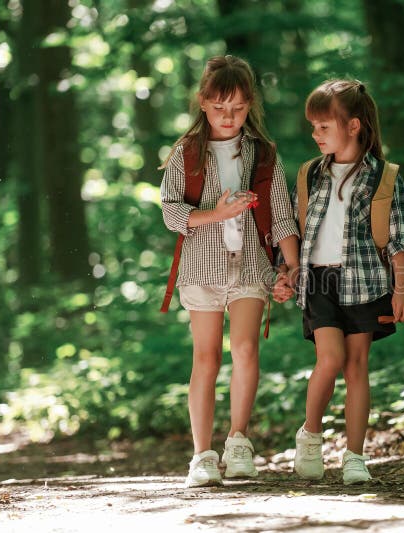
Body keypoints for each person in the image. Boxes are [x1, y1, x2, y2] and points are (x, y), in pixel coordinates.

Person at [160, 55, 299, 488]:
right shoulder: (186, 152)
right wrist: (215, 213)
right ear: (203, 103)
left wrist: (290, 268)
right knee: (205, 358)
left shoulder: (263, 154)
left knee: (244, 350)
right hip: (201, 269)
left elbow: (281, 218)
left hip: (251, 269)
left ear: (250, 104)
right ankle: (202, 454)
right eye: (219, 107)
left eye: (238, 108)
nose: (228, 116)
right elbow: (171, 212)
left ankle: (238, 443)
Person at [290, 79, 404, 485]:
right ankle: (310, 436)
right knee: (330, 359)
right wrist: (283, 273)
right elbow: (296, 228)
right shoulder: (311, 174)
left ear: (354, 126)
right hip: (319, 281)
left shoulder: (384, 177)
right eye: (313, 127)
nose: (315, 134)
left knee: (357, 365)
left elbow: (397, 238)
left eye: (323, 126)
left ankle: (355, 457)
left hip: (367, 283)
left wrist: (401, 289)